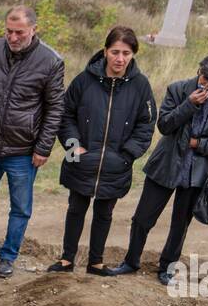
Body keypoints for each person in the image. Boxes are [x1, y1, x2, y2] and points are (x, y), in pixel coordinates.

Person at [110, 54, 208, 286]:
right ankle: (131, 261)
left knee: (180, 223)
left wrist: (198, 144)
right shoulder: (178, 89)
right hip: (166, 164)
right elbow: (164, 125)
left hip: (196, 172)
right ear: (200, 70)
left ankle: (167, 268)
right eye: (207, 80)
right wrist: (189, 104)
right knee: (143, 217)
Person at [0, 6, 65, 279]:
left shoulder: (51, 61)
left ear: (33, 29)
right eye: (9, 31)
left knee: (20, 207)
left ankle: (8, 256)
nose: (13, 37)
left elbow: (55, 108)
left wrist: (43, 148)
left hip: (23, 150)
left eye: (19, 32)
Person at [50, 26, 155, 276]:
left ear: (133, 55)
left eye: (126, 53)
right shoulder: (84, 80)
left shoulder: (141, 85)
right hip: (81, 160)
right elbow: (65, 116)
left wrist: (127, 155)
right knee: (75, 208)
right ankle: (66, 260)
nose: (120, 59)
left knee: (104, 213)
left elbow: (147, 124)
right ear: (105, 51)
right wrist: (74, 147)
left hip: (115, 164)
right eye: (115, 52)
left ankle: (95, 262)